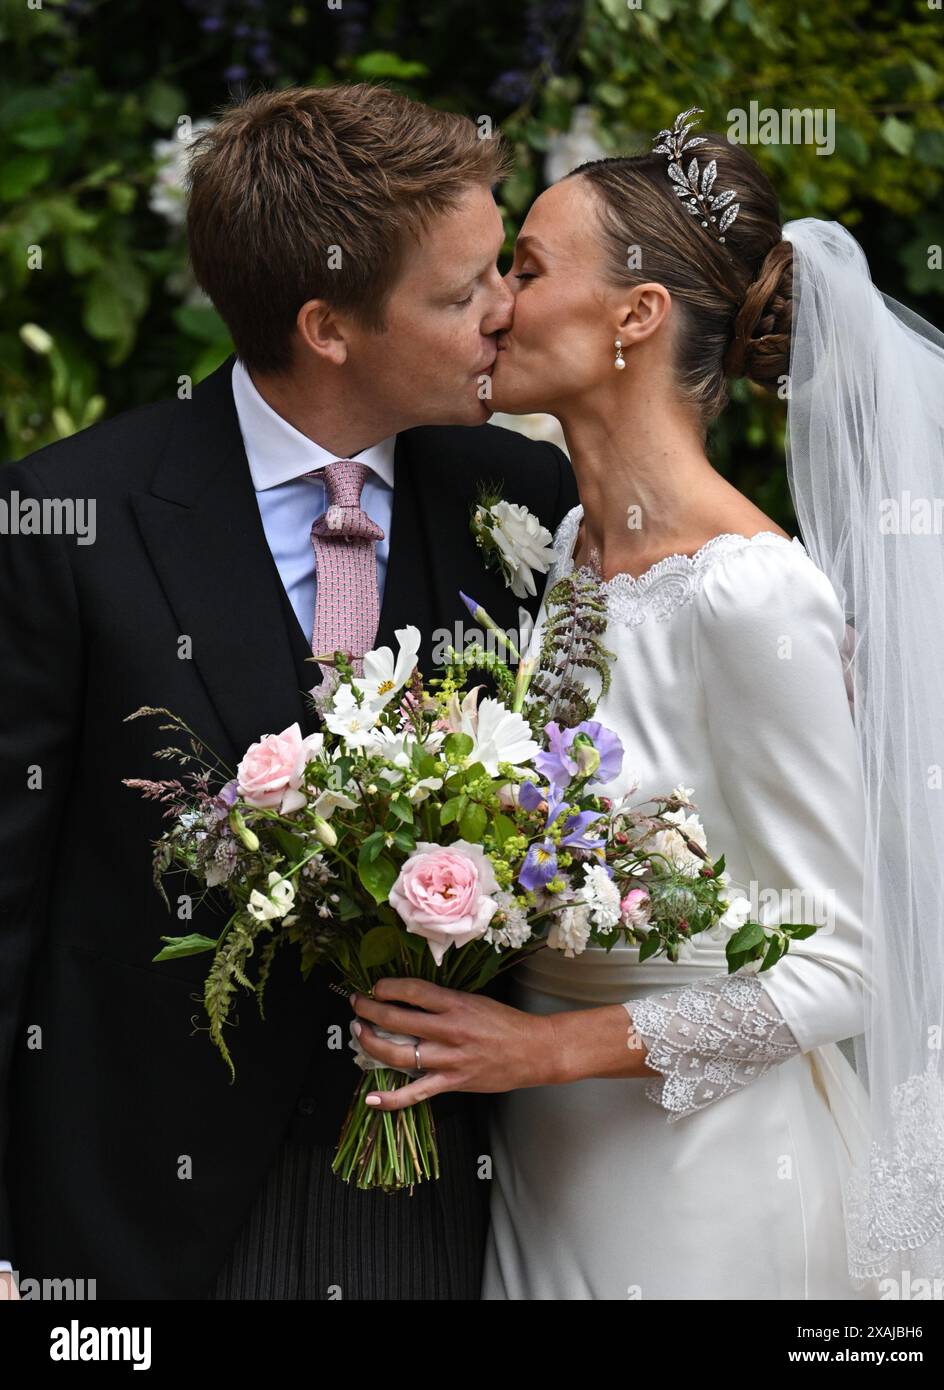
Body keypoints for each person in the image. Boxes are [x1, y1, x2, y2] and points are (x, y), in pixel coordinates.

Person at [349, 108, 944, 1299]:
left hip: (703, 1186)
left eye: (524, 269)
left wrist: (542, 1050)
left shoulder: (751, 593)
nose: (495, 304)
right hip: (544, 1163)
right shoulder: (571, 543)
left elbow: (842, 965)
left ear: (635, 316)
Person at [0, 83, 577, 1300]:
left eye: (501, 269)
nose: (504, 312)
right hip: (143, 1220)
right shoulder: (67, 522)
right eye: (461, 289)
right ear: (328, 326)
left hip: (447, 1204)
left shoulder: (512, 498)